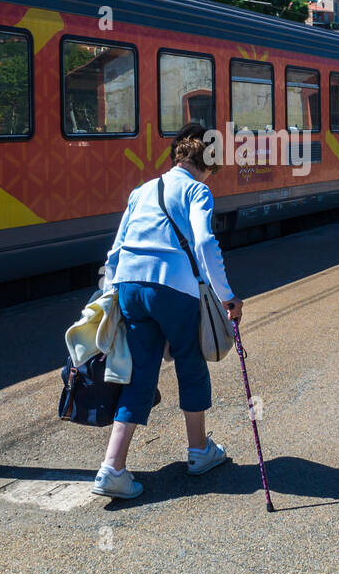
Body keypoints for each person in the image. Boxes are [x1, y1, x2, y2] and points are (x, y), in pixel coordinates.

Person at [94, 123, 243, 499]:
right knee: (190, 363)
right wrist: (227, 295)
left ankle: (112, 468)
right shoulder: (198, 190)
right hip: (173, 289)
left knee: (139, 373)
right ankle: (199, 452)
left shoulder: (141, 191)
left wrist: (108, 292)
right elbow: (206, 242)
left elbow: (116, 249)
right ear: (207, 164)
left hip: (129, 287)